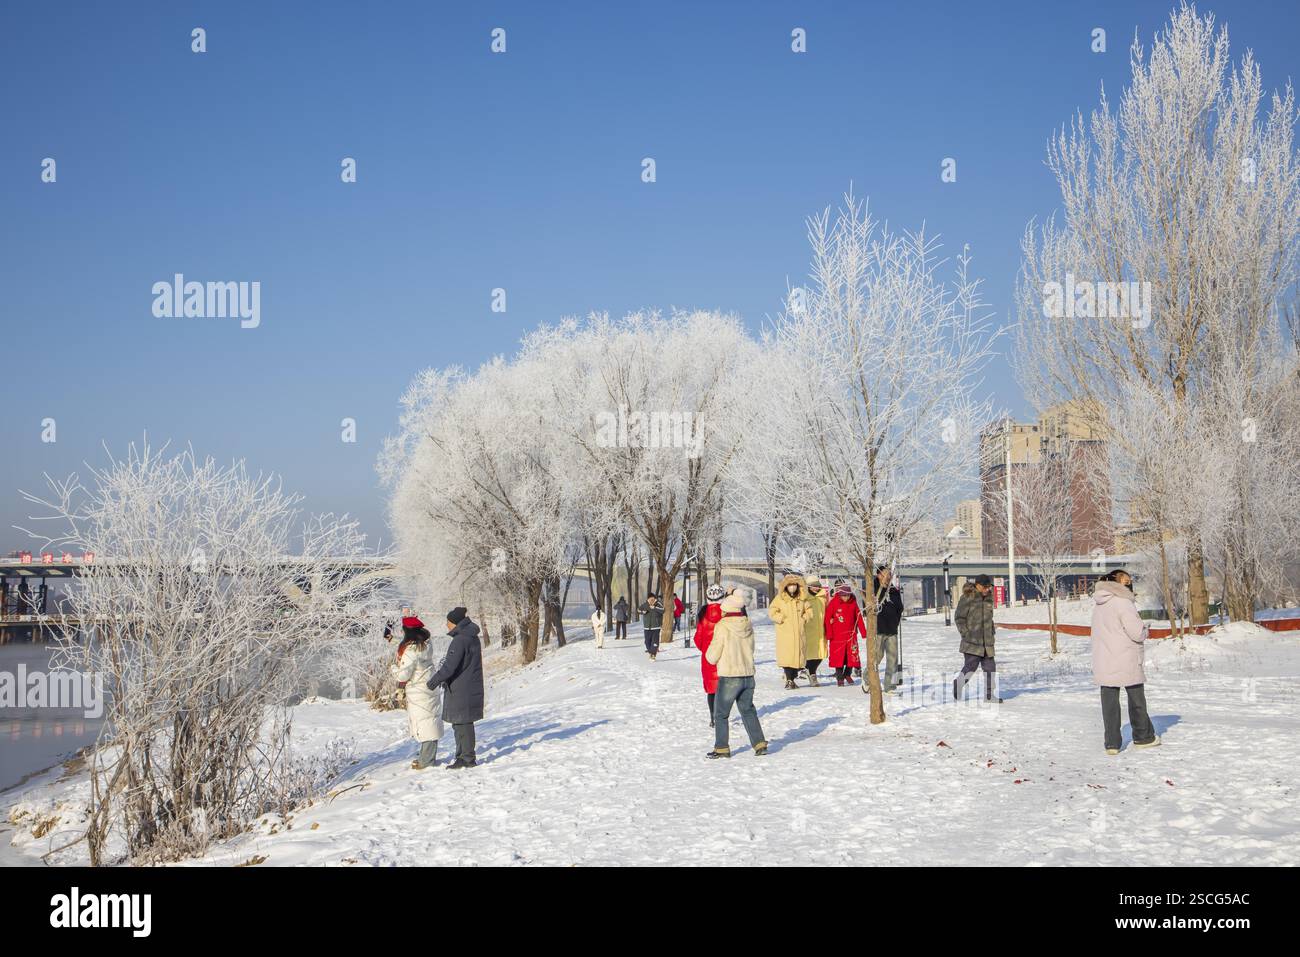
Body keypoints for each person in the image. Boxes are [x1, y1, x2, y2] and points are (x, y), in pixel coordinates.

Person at [1091, 569, 1159, 754]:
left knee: (1109, 704)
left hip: (1104, 658)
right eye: (1126, 581)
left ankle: (1111, 743)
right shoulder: (1123, 603)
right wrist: (1145, 630)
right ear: (1116, 581)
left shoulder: (1099, 604)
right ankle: (1143, 736)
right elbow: (1136, 632)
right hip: (1126, 657)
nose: (1128, 584)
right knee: (1136, 698)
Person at [704, 590, 768, 758]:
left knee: (721, 713)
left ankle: (722, 748)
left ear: (727, 609)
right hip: (748, 674)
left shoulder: (722, 626)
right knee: (748, 710)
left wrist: (710, 656)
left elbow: (713, 655)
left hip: (730, 676)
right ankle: (760, 744)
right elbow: (751, 649)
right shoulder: (748, 624)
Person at [426, 607, 485, 769]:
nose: (446, 625)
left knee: (462, 724)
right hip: (468, 686)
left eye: (448, 622)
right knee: (461, 723)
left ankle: (467, 758)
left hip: (461, 688)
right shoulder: (471, 637)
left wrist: (432, 682)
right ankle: (462, 756)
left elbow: (449, 667)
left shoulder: (459, 640)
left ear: (456, 623)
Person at [391, 616, 443, 769]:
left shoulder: (411, 650)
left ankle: (426, 761)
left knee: (424, 724)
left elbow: (403, 675)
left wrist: (393, 667)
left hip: (418, 691)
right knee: (430, 721)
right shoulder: (426, 644)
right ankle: (427, 757)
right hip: (429, 687)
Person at [954, 574, 999, 702]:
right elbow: (959, 618)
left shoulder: (989, 598)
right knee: (970, 667)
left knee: (990, 669)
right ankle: (958, 684)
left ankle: (989, 696)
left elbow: (989, 618)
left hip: (987, 641)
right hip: (972, 641)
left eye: (989, 587)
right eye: (985, 587)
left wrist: (991, 630)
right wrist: (966, 633)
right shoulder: (968, 597)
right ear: (978, 585)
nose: (987, 589)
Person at [767, 573, 811, 689]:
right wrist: (781, 618)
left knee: (797, 658)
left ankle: (791, 679)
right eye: (790, 585)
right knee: (787, 657)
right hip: (785, 633)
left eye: (794, 584)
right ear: (785, 586)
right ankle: (789, 679)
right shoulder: (779, 599)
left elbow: (809, 610)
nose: (792, 587)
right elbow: (772, 612)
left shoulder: (802, 598)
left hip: (799, 632)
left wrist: (804, 619)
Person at [693, 583, 725, 725]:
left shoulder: (702, 615)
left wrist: (707, 649)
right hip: (725, 656)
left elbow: (697, 639)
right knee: (725, 689)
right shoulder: (726, 613)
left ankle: (713, 717)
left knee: (711, 690)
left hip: (708, 658)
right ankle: (723, 716)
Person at [825, 580, 865, 685]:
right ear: (840, 595)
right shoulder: (833, 603)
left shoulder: (853, 603)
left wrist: (863, 632)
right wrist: (829, 633)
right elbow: (827, 618)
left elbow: (859, 618)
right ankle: (840, 677)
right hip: (837, 635)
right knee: (838, 658)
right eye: (843, 596)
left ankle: (847, 674)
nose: (845, 598)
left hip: (851, 635)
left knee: (851, 657)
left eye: (847, 596)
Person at [872, 566, 905, 694]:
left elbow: (900, 608)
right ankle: (867, 679)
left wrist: (895, 621)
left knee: (893, 658)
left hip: (892, 629)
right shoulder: (873, 589)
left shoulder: (894, 591)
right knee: (877, 657)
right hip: (878, 629)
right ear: (879, 575)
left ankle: (889, 686)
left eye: (889, 574)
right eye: (885, 574)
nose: (888, 577)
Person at [803, 575, 829, 686]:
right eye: (813, 586)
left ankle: (808, 670)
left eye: (817, 586)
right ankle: (811, 673)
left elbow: (828, 610)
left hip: (821, 629)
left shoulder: (823, 597)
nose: (815, 588)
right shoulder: (804, 598)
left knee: (821, 654)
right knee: (809, 654)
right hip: (808, 630)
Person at [638, 593, 665, 660]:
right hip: (647, 627)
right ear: (648, 599)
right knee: (647, 642)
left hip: (656, 627)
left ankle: (653, 655)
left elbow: (663, 610)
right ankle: (651, 652)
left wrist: (655, 608)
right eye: (650, 599)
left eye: (652, 599)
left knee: (655, 642)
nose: (651, 601)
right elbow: (638, 610)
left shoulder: (658, 604)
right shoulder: (645, 605)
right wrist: (642, 612)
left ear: (654, 599)